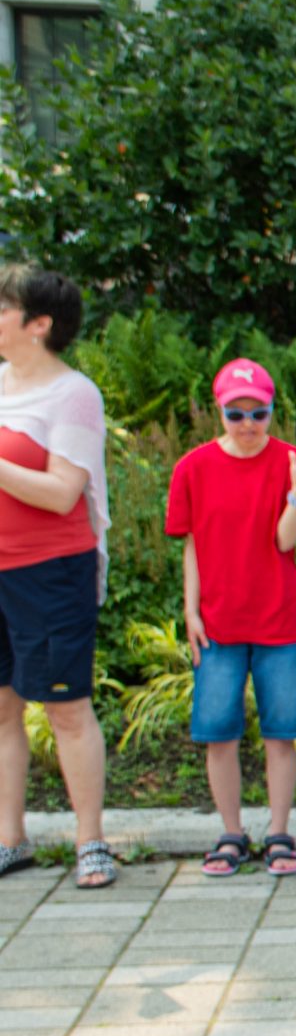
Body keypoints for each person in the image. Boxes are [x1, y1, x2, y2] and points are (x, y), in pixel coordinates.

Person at [167, 359, 296, 879]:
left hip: (281, 624)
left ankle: (279, 833)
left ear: (271, 410)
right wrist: (190, 611)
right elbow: (191, 546)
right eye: (235, 414)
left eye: (258, 413)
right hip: (217, 625)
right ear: (218, 411)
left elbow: (286, 541)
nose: (247, 425)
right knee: (219, 733)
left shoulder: (292, 462)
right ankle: (230, 833)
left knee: (281, 733)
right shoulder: (191, 468)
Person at [0, 267, 115, 889]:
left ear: (39, 325)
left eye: (2, 308)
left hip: (49, 572)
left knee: (66, 709)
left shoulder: (74, 394)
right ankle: (9, 840)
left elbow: (61, 491)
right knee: (0, 709)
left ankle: (91, 842)